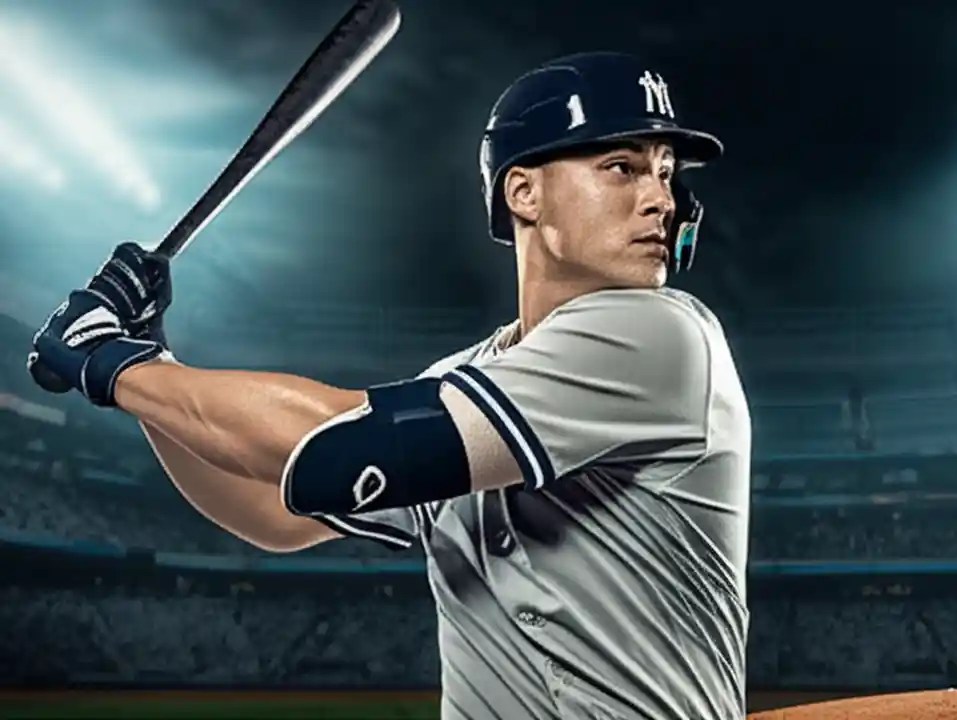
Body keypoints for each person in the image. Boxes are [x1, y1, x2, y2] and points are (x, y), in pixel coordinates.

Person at [27, 51, 751, 720]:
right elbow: (269, 512)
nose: (663, 199)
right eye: (623, 167)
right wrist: (153, 368)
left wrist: (115, 366)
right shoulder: (468, 382)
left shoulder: (660, 338)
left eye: (665, 171)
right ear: (524, 192)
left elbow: (342, 447)